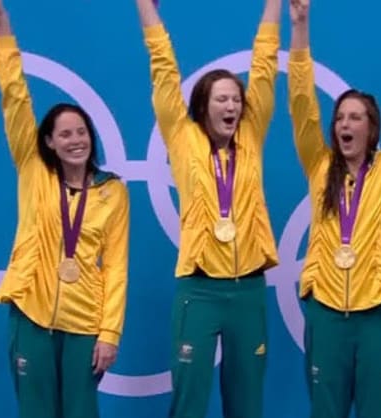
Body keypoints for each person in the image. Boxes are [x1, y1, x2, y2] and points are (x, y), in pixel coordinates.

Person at [0, 1, 131, 417]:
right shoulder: (33, 170)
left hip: (85, 324)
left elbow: (116, 265)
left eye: (81, 132)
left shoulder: (112, 191)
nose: (75, 140)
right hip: (31, 314)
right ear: (48, 141)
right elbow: (14, 94)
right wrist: (3, 25)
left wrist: (110, 332)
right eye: (64, 134)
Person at [134, 0, 281, 417]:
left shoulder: (251, 137)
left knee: (247, 402)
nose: (232, 107)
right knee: (189, 400)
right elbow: (163, 69)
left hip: (249, 289)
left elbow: (266, 64)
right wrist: (146, 7)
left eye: (236, 99)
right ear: (203, 105)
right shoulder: (182, 137)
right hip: (198, 290)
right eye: (222, 99)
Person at [287, 0, 381, 416]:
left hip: (377, 312)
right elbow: (301, 104)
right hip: (326, 311)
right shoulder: (318, 164)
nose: (345, 125)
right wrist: (300, 28)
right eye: (340, 118)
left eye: (356, 118)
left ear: (373, 127)